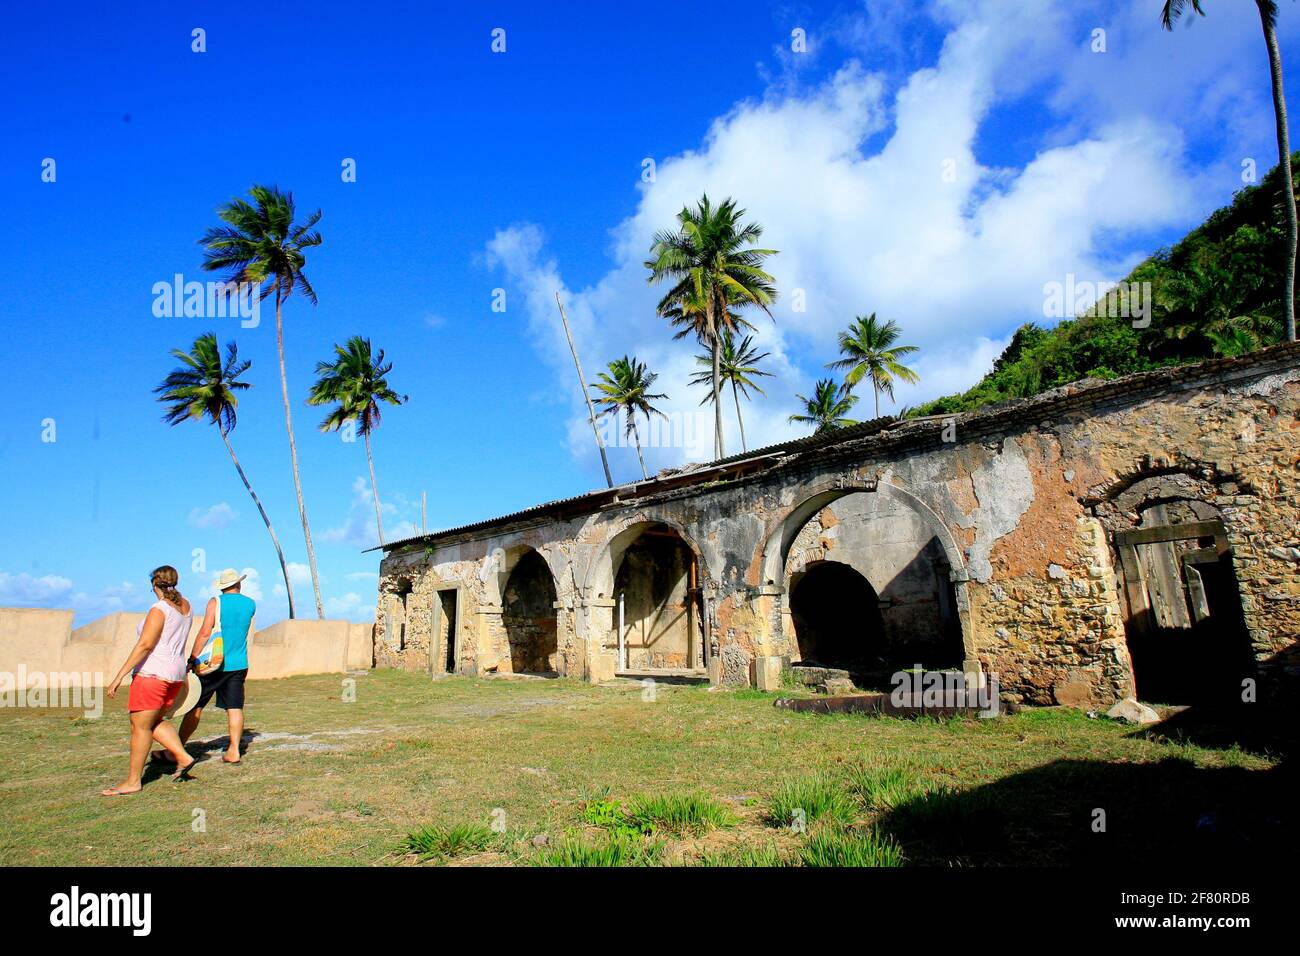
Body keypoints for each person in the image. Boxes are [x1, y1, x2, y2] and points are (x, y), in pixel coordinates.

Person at [101, 565, 197, 796]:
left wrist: (119, 675)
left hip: (152, 674)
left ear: (154, 583)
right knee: (153, 722)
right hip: (175, 674)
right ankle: (182, 756)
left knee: (139, 726)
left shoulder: (159, 608)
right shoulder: (186, 606)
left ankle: (133, 781)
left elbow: (145, 644)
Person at [181, 568, 255, 765]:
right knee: (235, 707)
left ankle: (178, 748)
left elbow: (206, 632)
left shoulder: (216, 602)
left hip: (214, 663)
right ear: (238, 584)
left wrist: (192, 658)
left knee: (196, 706)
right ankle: (234, 750)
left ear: (223, 587)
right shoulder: (250, 604)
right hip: (239, 663)